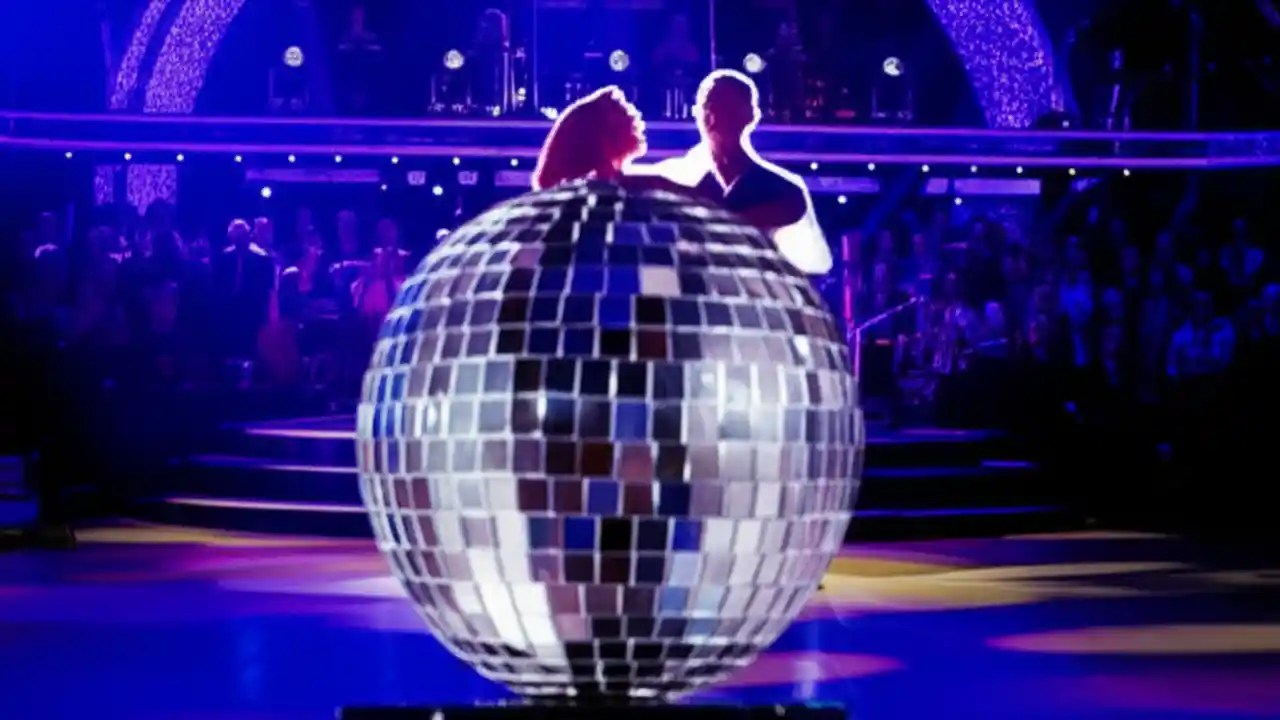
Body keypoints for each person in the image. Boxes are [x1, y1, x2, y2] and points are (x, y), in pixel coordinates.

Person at [683, 70, 832, 274]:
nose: (713, 117)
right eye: (708, 107)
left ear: (749, 116)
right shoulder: (699, 189)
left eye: (725, 109)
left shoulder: (784, 191)